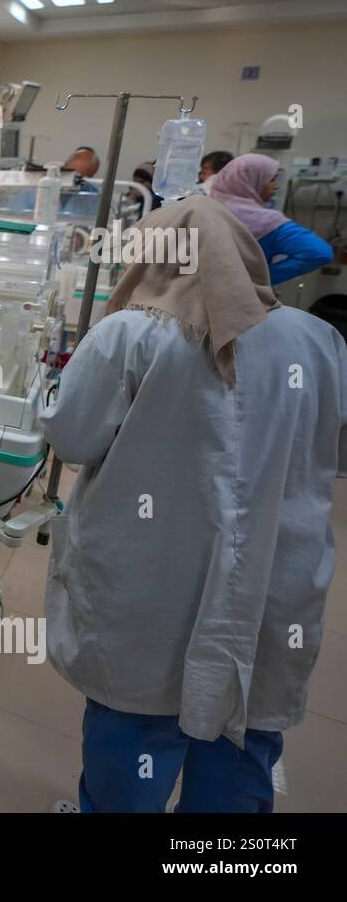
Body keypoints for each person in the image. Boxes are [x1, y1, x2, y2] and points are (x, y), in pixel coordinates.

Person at [40, 196, 346, 812]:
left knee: (133, 732)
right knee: (244, 730)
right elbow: (329, 456)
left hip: (148, 584)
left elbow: (70, 436)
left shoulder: (128, 333)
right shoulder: (319, 340)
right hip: (274, 580)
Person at [209, 152, 333, 284]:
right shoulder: (268, 222)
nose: (276, 185)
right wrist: (260, 280)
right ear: (251, 180)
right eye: (272, 179)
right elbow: (319, 253)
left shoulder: (203, 210)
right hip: (242, 297)